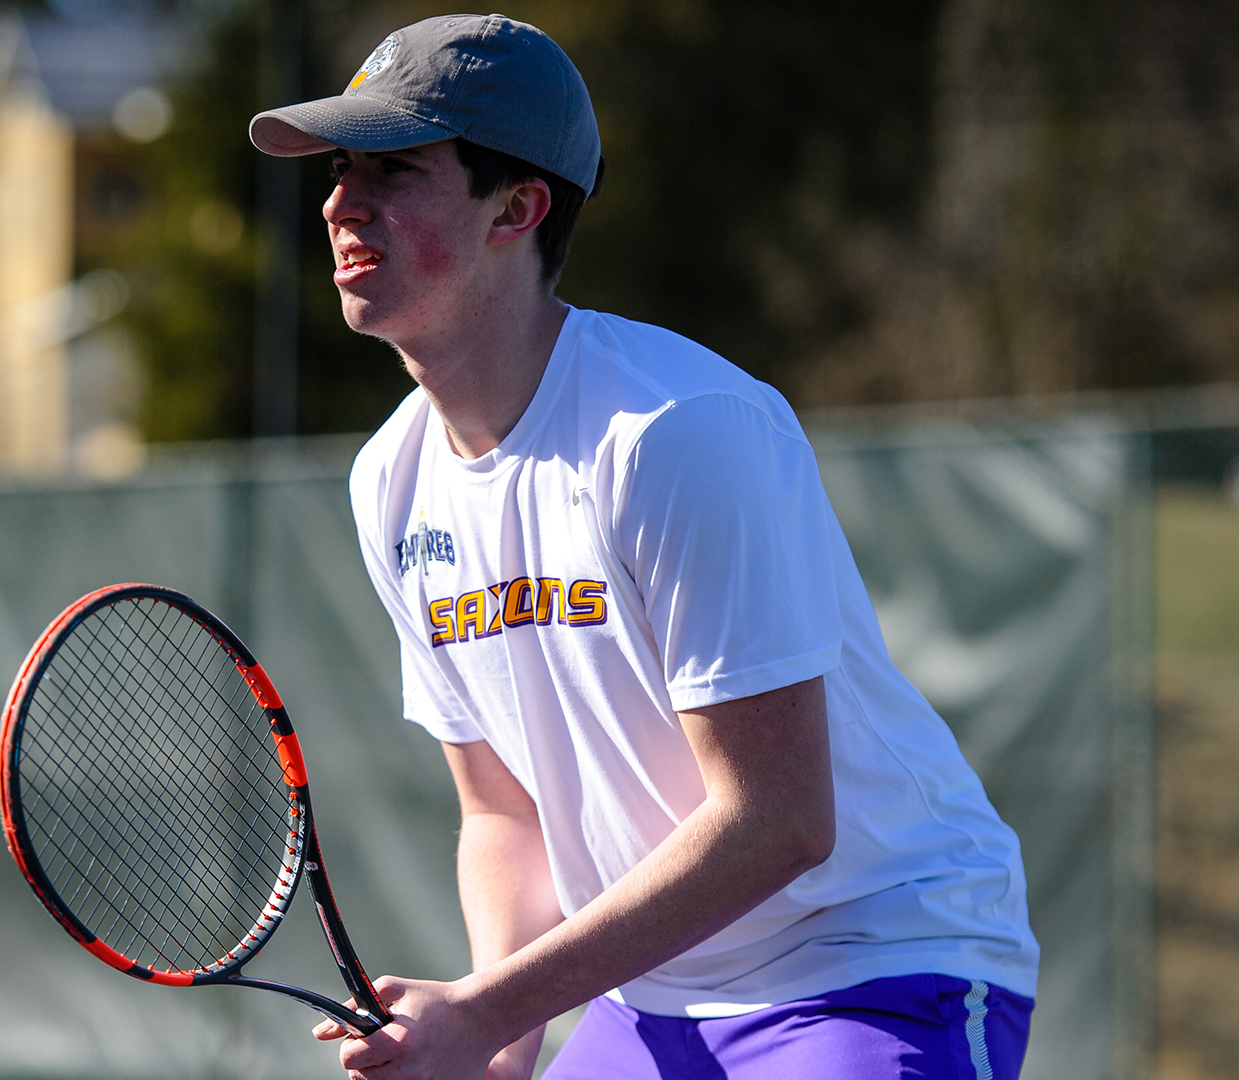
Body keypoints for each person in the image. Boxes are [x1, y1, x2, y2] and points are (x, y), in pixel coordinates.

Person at [247, 14, 1039, 1080]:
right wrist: (505, 1041)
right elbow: (502, 810)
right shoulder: (387, 481)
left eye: (394, 169)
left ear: (517, 209)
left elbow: (782, 819)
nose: (343, 203)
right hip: (649, 996)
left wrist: (485, 1008)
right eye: (341, 171)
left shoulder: (673, 432)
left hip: (877, 965)